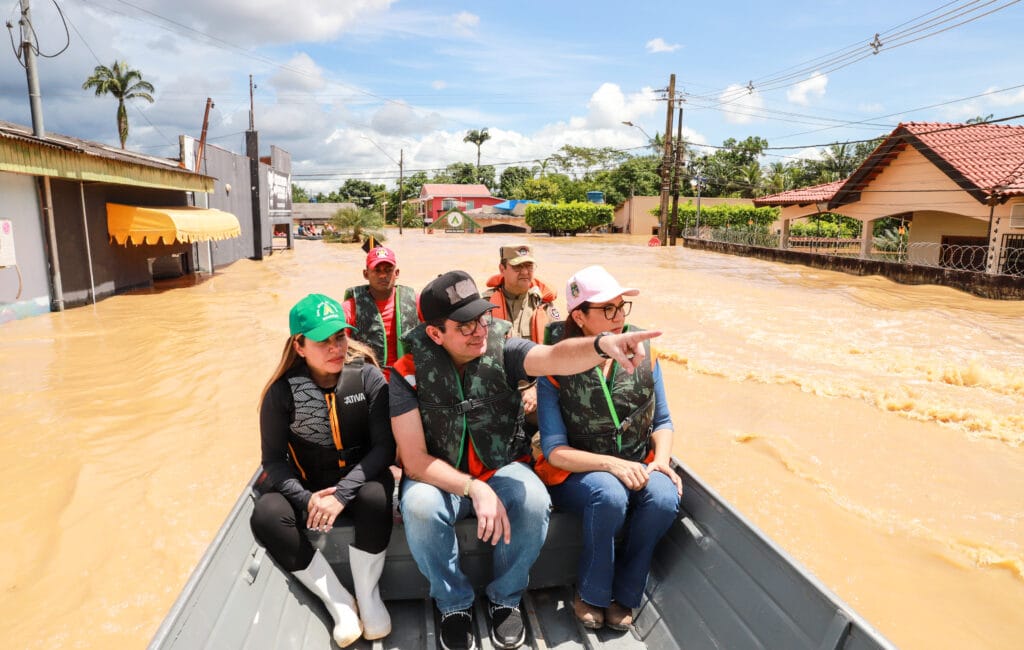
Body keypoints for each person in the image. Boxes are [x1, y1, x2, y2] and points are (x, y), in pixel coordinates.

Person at [390, 270, 659, 650]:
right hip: (439, 473)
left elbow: (554, 357)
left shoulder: (505, 349)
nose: (478, 330)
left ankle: (506, 597)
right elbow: (415, 461)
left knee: (533, 500)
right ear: (435, 334)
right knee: (418, 506)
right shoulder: (407, 373)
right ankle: (453, 603)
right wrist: (472, 487)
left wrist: (601, 344)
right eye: (464, 325)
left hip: (500, 462)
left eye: (482, 318)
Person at [535, 265, 682, 632]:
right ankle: (591, 591)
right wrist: (612, 465)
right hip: (577, 472)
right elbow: (554, 450)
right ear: (580, 317)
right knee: (609, 493)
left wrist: (661, 462)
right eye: (607, 310)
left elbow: (662, 421)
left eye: (621, 308)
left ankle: (626, 591)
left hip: (638, 462)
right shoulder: (554, 362)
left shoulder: (644, 351)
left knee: (664, 497)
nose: (618, 319)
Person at [251, 293, 396, 647]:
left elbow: (384, 448)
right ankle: (340, 601)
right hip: (310, 486)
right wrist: (307, 500)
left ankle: (368, 594)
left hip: (361, 479)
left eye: (340, 337)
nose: (335, 348)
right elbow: (272, 461)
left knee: (377, 494)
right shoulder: (280, 394)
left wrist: (343, 494)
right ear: (299, 346)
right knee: (266, 515)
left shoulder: (369, 379)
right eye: (322, 341)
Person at [482, 245, 559, 428]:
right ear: (502, 269)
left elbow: (556, 355)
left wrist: (536, 388)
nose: (525, 272)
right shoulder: (483, 306)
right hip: (496, 386)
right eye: (517, 267)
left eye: (529, 266)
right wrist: (523, 388)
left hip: (538, 388)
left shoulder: (545, 306)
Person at [343, 246, 420, 377]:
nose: (383, 275)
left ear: (397, 273)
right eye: (377, 270)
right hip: (368, 380)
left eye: (388, 270)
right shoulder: (349, 308)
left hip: (408, 378)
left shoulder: (415, 301)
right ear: (366, 274)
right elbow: (336, 344)